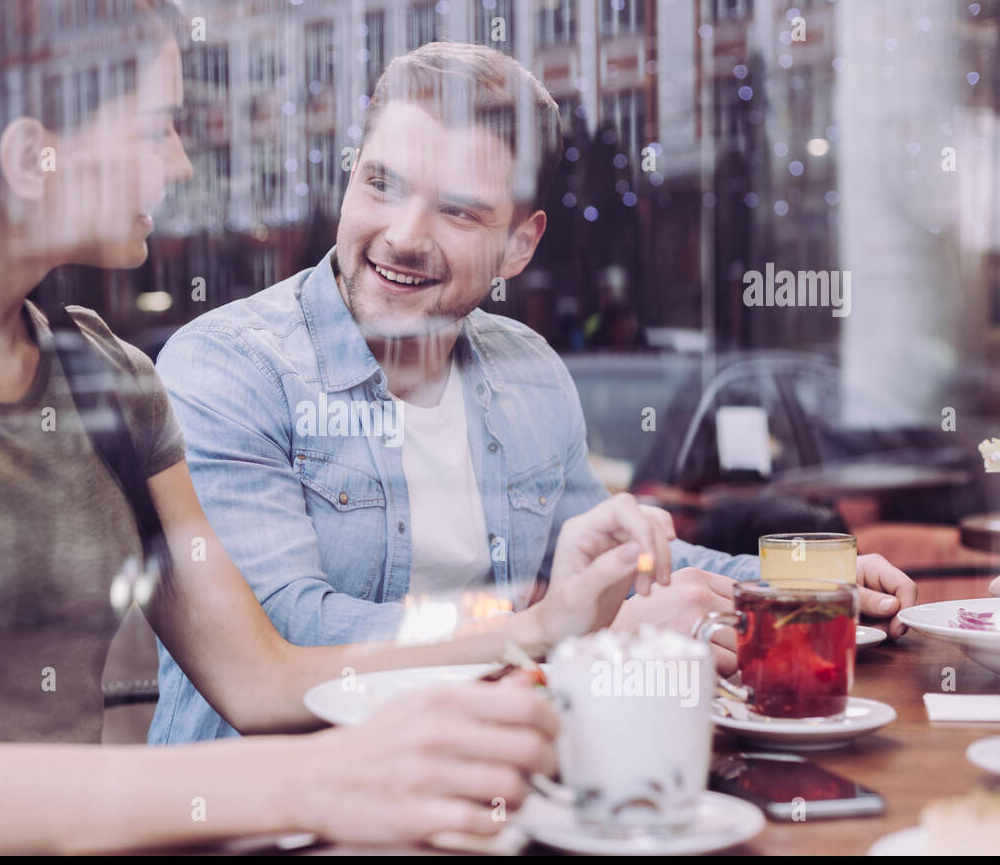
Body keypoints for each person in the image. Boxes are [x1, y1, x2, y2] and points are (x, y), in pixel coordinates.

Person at [0, 0, 673, 855]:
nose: (178, 161)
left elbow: (260, 677)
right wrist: (313, 781)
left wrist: (545, 623)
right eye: (155, 128)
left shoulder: (109, 377)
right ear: (29, 155)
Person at [151, 42, 918, 744]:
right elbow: (289, 634)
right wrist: (558, 626)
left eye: (457, 209)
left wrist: (800, 582)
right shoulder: (228, 367)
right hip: (272, 812)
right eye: (381, 184)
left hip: (480, 777)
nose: (404, 235)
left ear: (519, 245)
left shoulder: (527, 370)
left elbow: (623, 559)